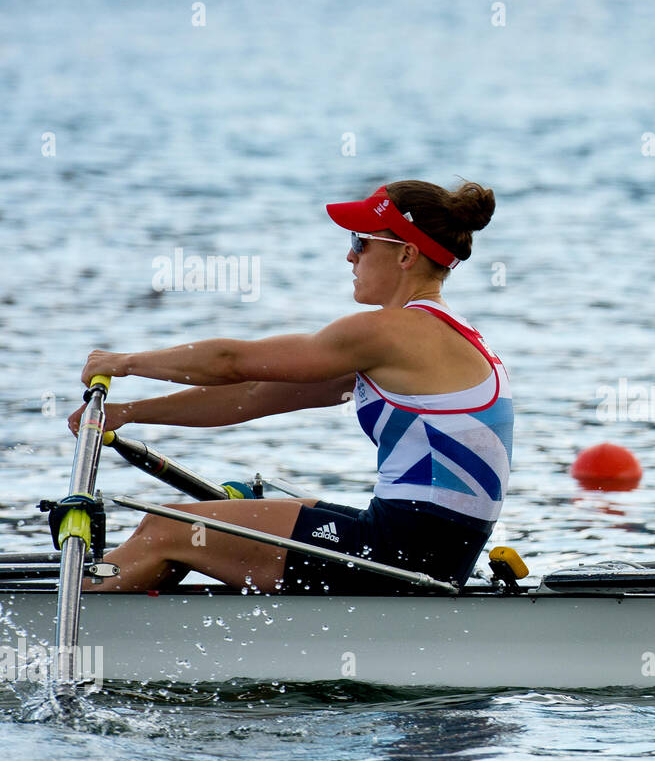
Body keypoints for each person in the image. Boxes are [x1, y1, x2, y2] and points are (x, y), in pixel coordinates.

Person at [70, 179, 511, 594]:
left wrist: (125, 362)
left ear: (406, 255)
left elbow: (232, 363)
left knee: (165, 527)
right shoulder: (444, 336)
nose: (350, 257)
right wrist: (130, 412)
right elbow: (251, 395)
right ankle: (121, 597)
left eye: (361, 242)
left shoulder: (391, 332)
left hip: (407, 547)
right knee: (215, 522)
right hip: (433, 547)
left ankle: (85, 612)